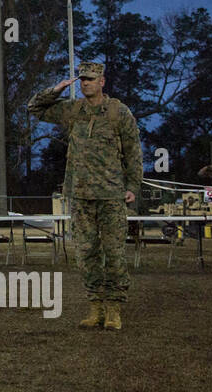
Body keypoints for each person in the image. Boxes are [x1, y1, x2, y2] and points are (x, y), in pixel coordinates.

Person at [28, 61, 142, 331]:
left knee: (114, 253)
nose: (85, 83)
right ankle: (95, 306)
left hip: (111, 194)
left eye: (91, 79)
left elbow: (133, 152)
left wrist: (133, 186)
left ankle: (113, 309)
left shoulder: (118, 112)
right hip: (80, 194)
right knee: (86, 253)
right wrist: (56, 89)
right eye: (82, 79)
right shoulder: (73, 110)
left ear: (102, 81)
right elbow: (35, 108)